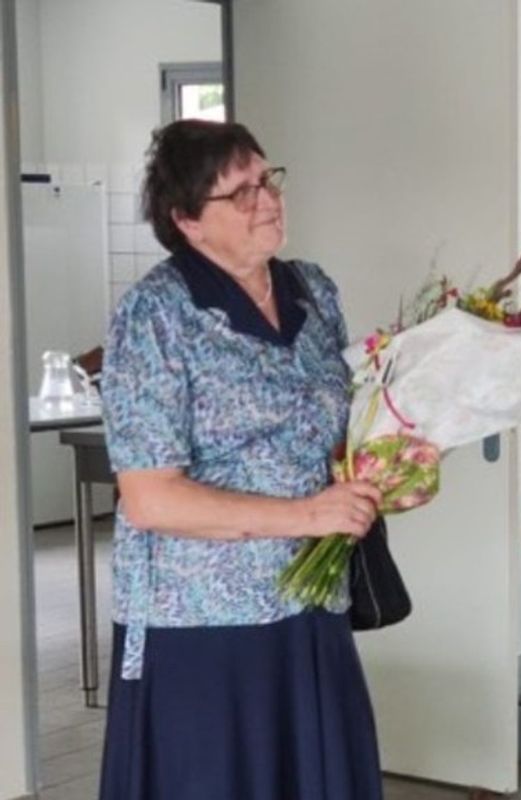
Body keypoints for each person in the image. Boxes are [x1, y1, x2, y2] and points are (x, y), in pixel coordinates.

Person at [98, 119, 385, 800]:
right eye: (240, 191)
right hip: (201, 622)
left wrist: (387, 473)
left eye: (268, 179)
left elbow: (339, 432)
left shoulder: (312, 292)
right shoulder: (155, 315)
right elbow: (151, 498)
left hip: (310, 602)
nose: (268, 199)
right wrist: (305, 514)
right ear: (188, 221)